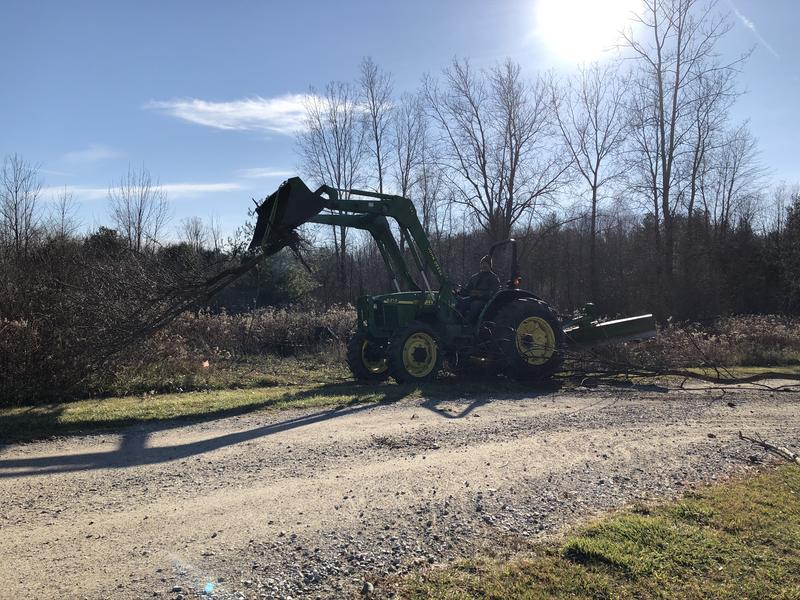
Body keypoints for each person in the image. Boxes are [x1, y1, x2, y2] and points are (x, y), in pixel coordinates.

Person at [456, 255, 501, 322]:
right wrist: (460, 291)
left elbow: (494, 292)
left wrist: (480, 294)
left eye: (486, 264)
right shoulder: (474, 277)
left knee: (475, 305)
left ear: (489, 266)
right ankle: (458, 320)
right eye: (482, 264)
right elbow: (467, 289)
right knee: (461, 302)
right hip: (472, 298)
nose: (484, 266)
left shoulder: (493, 278)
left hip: (485, 301)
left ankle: (469, 323)